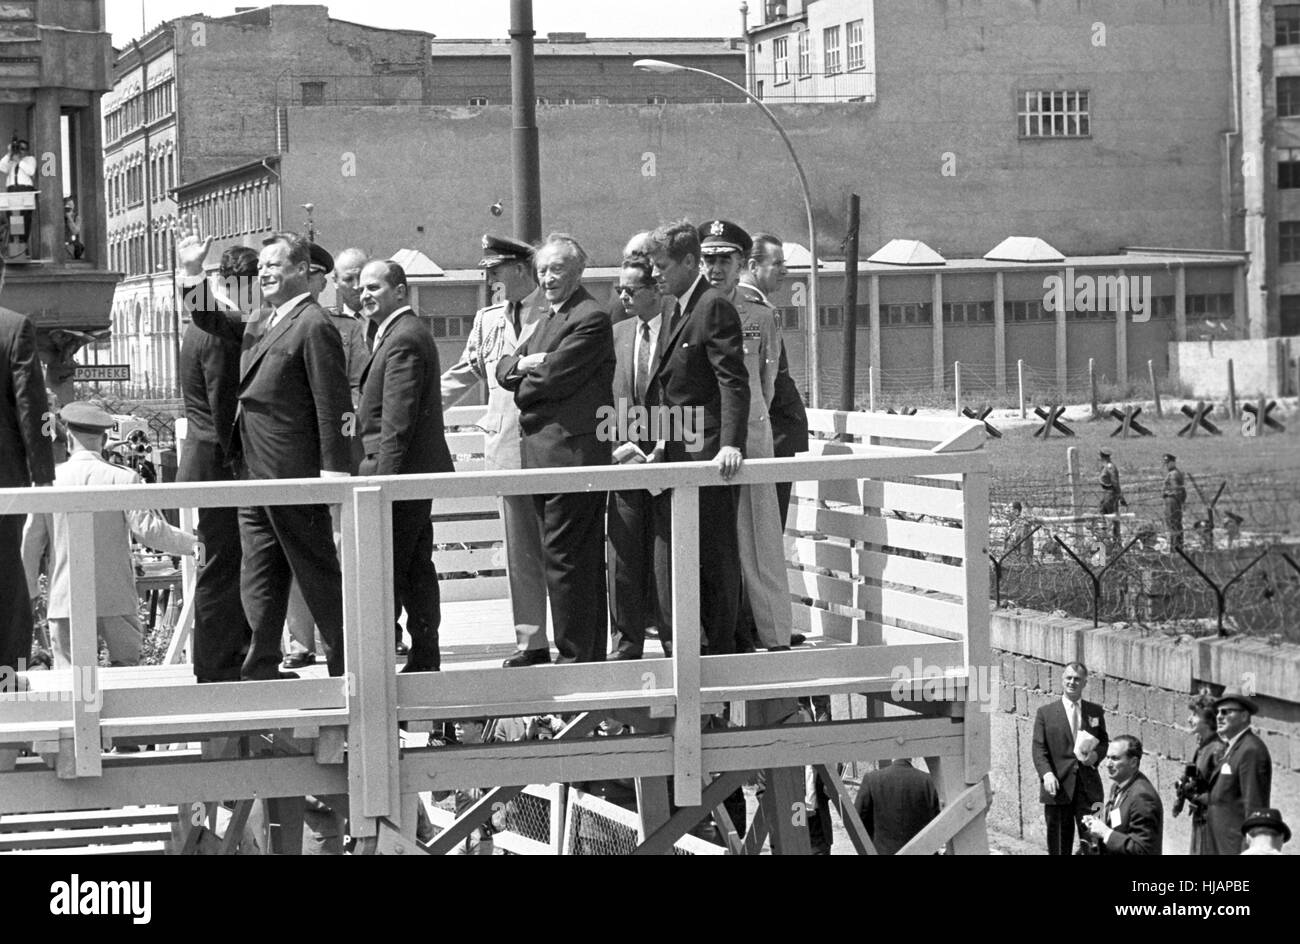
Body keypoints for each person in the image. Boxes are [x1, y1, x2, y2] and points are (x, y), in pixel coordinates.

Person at [179, 224, 353, 680]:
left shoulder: (313, 324)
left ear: (302, 270)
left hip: (290, 473)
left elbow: (332, 403)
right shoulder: (263, 320)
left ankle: (348, 662)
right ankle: (260, 664)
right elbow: (211, 319)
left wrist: (333, 473)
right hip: (252, 473)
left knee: (313, 570)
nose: (266, 273)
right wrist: (192, 271)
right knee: (259, 570)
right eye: (263, 267)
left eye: (275, 265)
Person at [496, 233, 614, 664]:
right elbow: (504, 365)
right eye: (542, 270)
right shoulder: (549, 317)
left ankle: (578, 655)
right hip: (544, 456)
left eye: (557, 270)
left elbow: (550, 382)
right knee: (558, 555)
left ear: (578, 272)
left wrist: (524, 378)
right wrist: (525, 366)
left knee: (569, 558)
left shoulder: (590, 318)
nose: (547, 278)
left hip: (572, 455)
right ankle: (577, 650)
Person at [442, 234, 551, 667]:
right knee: (520, 553)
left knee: (565, 553)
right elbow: (464, 373)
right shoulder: (489, 321)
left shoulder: (557, 312)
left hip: (554, 450)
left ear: (521, 270)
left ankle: (581, 642)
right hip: (507, 450)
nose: (489, 279)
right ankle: (533, 642)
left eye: (495, 271)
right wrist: (411, 406)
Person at [21, 402, 196, 667]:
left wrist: (31, 590)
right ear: (104, 439)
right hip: (116, 597)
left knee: (73, 679)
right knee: (126, 672)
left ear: (68, 437)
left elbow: (31, 543)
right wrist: (197, 546)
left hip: (65, 598)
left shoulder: (48, 480)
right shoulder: (123, 479)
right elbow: (150, 532)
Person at [644, 219, 749, 655]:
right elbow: (672, 390)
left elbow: (732, 381)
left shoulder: (712, 307)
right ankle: (690, 644)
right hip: (676, 450)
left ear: (690, 262)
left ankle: (722, 647)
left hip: (706, 455)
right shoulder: (678, 307)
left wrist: (730, 444)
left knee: (714, 555)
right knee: (680, 553)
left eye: (662, 265)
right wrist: (655, 443)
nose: (655, 274)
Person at [355, 259, 453, 673]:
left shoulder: (403, 338)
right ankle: (423, 653)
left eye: (374, 287)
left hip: (397, 476)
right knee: (412, 565)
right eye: (362, 288)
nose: (365, 295)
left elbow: (398, 420)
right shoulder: (394, 334)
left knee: (393, 567)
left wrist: (384, 486)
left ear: (400, 291)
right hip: (402, 475)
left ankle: (396, 655)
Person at [699, 219, 790, 652]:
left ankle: (772, 632)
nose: (715, 268)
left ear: (742, 264)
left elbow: (766, 383)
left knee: (759, 536)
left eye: (724, 259)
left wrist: (751, 423)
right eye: (708, 259)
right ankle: (714, 631)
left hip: (750, 434)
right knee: (706, 541)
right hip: (699, 435)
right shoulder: (684, 311)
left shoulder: (761, 316)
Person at [177, 244, 257, 682]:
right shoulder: (220, 327)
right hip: (221, 462)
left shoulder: (210, 326)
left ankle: (222, 659)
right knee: (226, 564)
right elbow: (224, 404)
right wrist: (190, 270)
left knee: (222, 562)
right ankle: (219, 664)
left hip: (207, 460)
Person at [605, 253, 665, 659]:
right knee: (623, 555)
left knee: (666, 558)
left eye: (632, 289)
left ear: (655, 289)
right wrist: (616, 446)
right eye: (619, 290)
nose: (624, 296)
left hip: (669, 461)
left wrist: (664, 450)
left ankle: (674, 639)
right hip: (625, 459)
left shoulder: (678, 329)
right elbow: (605, 394)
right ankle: (627, 644)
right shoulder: (619, 333)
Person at [0, 304, 53, 675]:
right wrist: (44, 474)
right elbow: (35, 408)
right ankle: (7, 677)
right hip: (4, 479)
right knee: (6, 571)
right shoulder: (15, 326)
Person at [740, 233, 806, 526]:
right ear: (753, 266)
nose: (784, 271)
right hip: (769, 435)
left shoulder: (758, 307)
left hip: (771, 433)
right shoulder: (753, 309)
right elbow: (765, 381)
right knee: (766, 528)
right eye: (777, 263)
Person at [1031, 661, 1109, 855]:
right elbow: (1039, 749)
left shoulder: (1095, 712)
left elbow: (1104, 742)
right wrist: (1047, 774)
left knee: (1093, 840)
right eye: (1069, 678)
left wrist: (1096, 756)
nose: (1072, 682)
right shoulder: (1046, 714)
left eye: (1077, 679)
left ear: (1084, 683)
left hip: (1089, 788)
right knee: (1059, 842)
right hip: (1058, 788)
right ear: (1062, 680)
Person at [1203, 688, 1272, 855]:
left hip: (1234, 848)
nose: (1219, 716)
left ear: (1244, 716)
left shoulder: (1251, 750)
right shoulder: (1233, 746)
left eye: (1226, 712)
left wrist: (1249, 851)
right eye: (1218, 712)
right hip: (1218, 843)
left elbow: (1254, 808)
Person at [1082, 734, 1163, 855]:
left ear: (1133, 762)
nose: (1108, 764)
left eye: (1115, 758)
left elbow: (1143, 850)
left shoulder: (1143, 798)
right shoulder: (1118, 786)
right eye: (1108, 757)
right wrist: (1097, 826)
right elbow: (1119, 825)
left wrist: (1105, 833)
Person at [854, 758, 941, 855]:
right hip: (922, 851)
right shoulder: (929, 781)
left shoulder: (872, 779)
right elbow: (939, 819)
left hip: (883, 850)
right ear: (911, 757)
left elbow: (858, 819)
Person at [1175, 692, 1223, 855]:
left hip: (1212, 823)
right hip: (1200, 818)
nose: (1190, 719)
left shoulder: (1217, 750)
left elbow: (1221, 793)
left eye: (1195, 714)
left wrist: (1195, 795)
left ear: (1209, 719)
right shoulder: (1203, 746)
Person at [1, 137, 36, 250]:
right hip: (12, 190)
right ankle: (14, 247)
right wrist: (9, 153)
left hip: (25, 189)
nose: (20, 151)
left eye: (23, 149)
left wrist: (19, 161)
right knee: (13, 219)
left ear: (27, 150)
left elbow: (31, 171)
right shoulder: (11, 160)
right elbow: (2, 167)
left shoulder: (30, 159)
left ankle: (22, 245)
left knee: (25, 219)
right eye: (18, 148)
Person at [1097, 448, 1124, 547]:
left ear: (1101, 456)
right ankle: (1104, 540)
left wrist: (1121, 497)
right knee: (1102, 515)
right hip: (1106, 493)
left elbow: (1115, 482)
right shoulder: (1105, 466)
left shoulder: (1110, 467)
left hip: (1111, 494)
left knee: (1113, 518)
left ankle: (1116, 542)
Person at [1161, 452, 1186, 551]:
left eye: (1168, 463)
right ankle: (1176, 545)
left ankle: (1176, 547)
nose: (1166, 465)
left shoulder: (1173, 474)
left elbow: (1176, 489)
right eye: (1166, 463)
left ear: (1173, 462)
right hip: (1172, 500)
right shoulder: (1173, 473)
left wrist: (1168, 493)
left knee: (1173, 523)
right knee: (1173, 523)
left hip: (1172, 500)